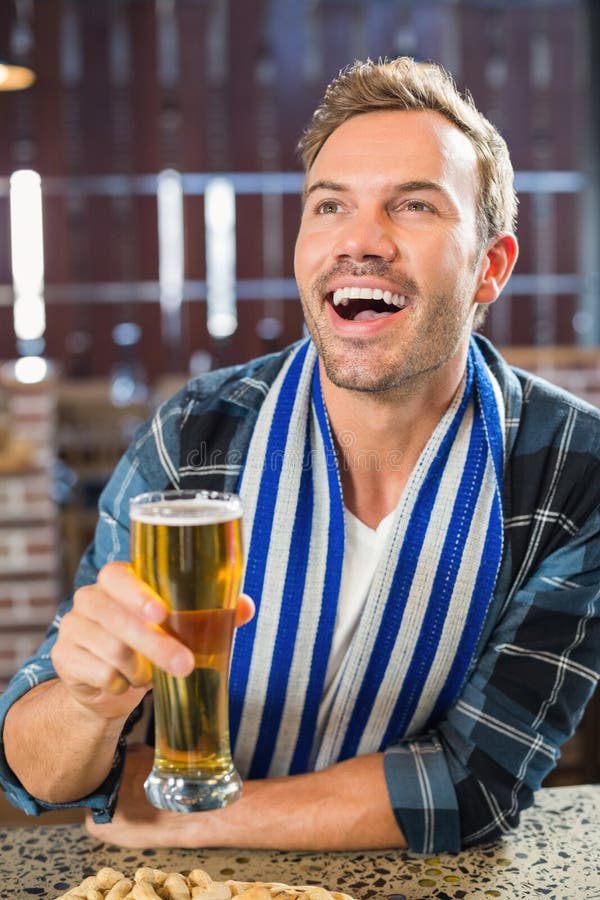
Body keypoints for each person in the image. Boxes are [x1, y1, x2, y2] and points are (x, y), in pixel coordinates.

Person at [1, 56, 599, 855]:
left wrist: (174, 817)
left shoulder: (571, 467)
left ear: (490, 267)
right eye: (330, 205)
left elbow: (473, 785)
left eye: (415, 205)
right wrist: (87, 707)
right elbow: (40, 775)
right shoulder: (198, 432)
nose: (360, 241)